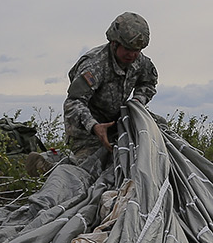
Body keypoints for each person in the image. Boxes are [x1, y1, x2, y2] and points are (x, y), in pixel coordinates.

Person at [63, 12, 158, 171]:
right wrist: (94, 126)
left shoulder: (140, 61)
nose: (132, 55)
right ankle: (52, 160)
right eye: (128, 49)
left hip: (118, 125)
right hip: (88, 132)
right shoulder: (94, 65)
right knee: (87, 170)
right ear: (114, 43)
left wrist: (137, 102)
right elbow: (74, 102)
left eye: (138, 50)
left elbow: (148, 83)